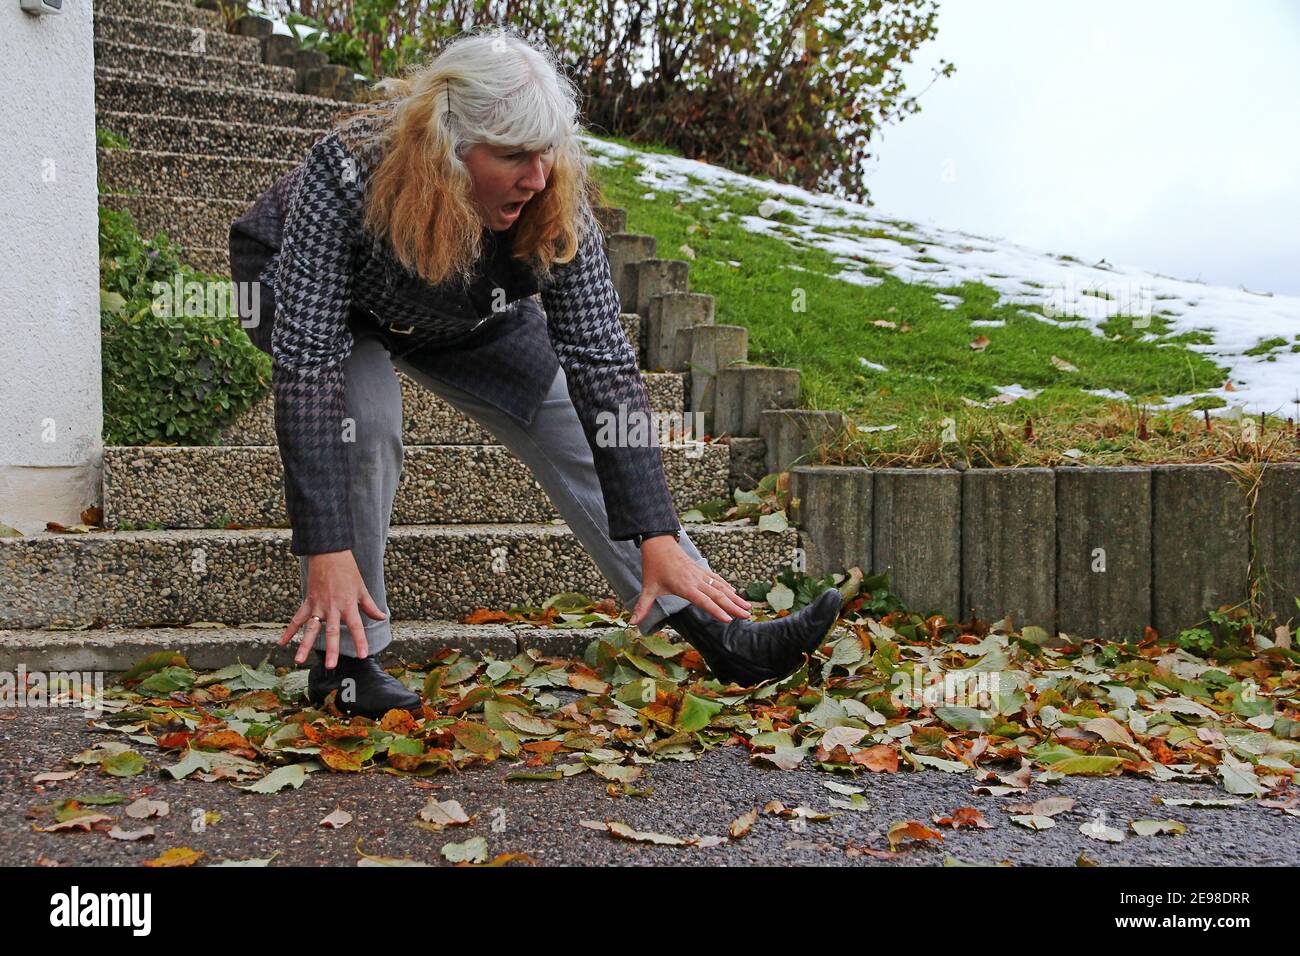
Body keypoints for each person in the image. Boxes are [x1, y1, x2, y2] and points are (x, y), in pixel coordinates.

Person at [228, 26, 841, 718]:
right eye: (514, 156)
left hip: (459, 304)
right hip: (318, 300)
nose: (538, 175)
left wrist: (658, 533)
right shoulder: (345, 174)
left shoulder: (550, 195)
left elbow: (603, 362)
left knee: (567, 416)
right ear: (448, 148)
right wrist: (326, 546)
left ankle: (724, 636)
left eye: (545, 152)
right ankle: (347, 662)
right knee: (362, 418)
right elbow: (308, 368)